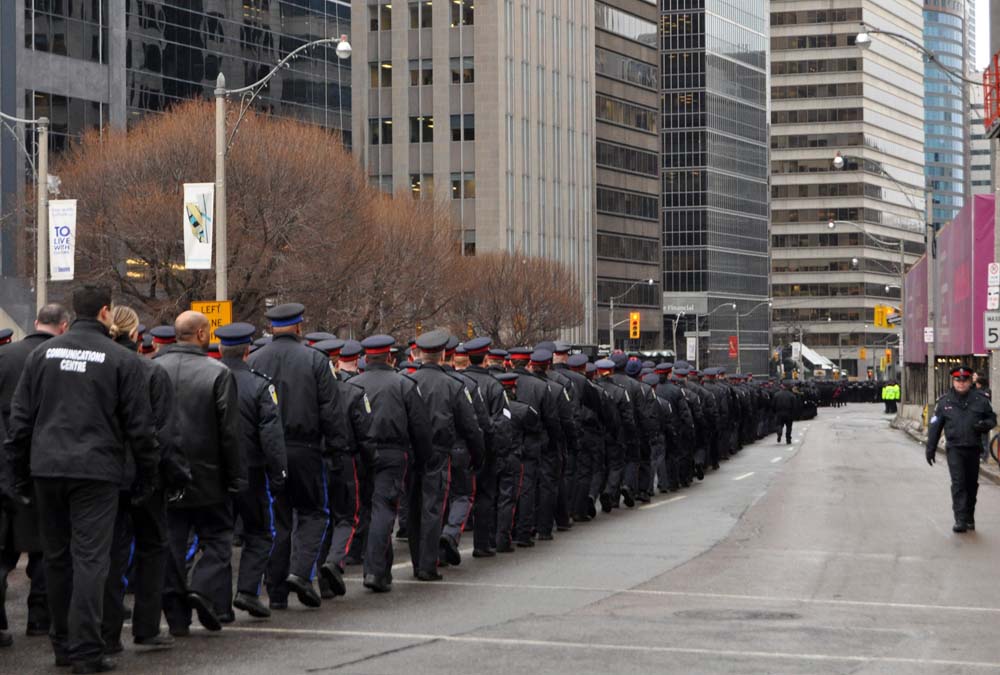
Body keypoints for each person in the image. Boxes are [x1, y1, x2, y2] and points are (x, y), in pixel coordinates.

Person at [4, 285, 157, 673]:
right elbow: (140, 428)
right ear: (105, 312)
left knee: (57, 558)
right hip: (96, 471)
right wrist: (146, 477)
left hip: (48, 468)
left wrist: (18, 475)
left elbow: (20, 422)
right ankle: (87, 648)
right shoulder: (120, 360)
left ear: (73, 314)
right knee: (91, 559)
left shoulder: (42, 354)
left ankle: (63, 644)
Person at [247, 303, 348, 609]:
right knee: (314, 513)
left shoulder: (254, 359)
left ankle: (276, 589)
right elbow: (331, 411)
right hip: (305, 449)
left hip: (267, 450)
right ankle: (300, 572)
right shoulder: (315, 361)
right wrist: (337, 449)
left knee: (279, 520)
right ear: (299, 327)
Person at [154, 311, 243, 634]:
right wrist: (235, 477)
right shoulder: (217, 372)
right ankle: (202, 587)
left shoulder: (153, 368)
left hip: (164, 473)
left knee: (172, 544)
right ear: (203, 334)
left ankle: (177, 617)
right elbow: (229, 432)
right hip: (208, 472)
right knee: (218, 540)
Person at [101, 306, 178, 653]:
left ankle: (108, 631)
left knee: (111, 555)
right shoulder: (151, 372)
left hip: (107, 473)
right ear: (137, 335)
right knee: (152, 549)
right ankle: (146, 626)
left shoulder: (100, 370)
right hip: (145, 473)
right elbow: (164, 431)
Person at [0, 304, 68, 648]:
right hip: (44, 463)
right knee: (46, 546)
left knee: (3, 549)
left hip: (4, 463)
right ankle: (40, 618)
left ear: (36, 322)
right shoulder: (63, 361)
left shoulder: (6, 356)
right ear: (63, 325)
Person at [344, 335, 431, 592]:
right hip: (391, 452)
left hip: (359, 453)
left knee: (369, 509)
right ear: (390, 358)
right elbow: (419, 426)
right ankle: (374, 570)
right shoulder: (404, 384)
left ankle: (381, 570)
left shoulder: (352, 384)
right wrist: (423, 459)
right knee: (383, 509)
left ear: (366, 359)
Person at [216, 323, 287, 619]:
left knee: (217, 536)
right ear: (248, 351)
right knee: (259, 533)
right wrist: (278, 472)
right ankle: (246, 591)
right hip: (251, 472)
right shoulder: (260, 385)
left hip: (215, 471)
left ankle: (215, 602)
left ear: (220, 350)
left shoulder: (209, 376)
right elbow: (271, 435)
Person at [408, 330, 484, 580]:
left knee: (414, 507)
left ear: (419, 354)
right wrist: (477, 454)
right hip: (439, 451)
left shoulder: (407, 381)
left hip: (411, 452)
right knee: (432, 508)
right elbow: (469, 426)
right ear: (443, 354)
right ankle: (428, 565)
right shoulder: (453, 385)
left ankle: (417, 559)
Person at [926, 365, 997, 533]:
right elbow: (935, 427)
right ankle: (960, 519)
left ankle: (969, 516)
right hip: (954, 449)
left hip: (973, 448)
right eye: (958, 381)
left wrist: (984, 426)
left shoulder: (981, 399)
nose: (961, 384)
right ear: (953, 381)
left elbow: (992, 419)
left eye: (964, 381)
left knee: (971, 484)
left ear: (969, 382)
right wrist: (930, 449)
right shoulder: (944, 402)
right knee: (959, 483)